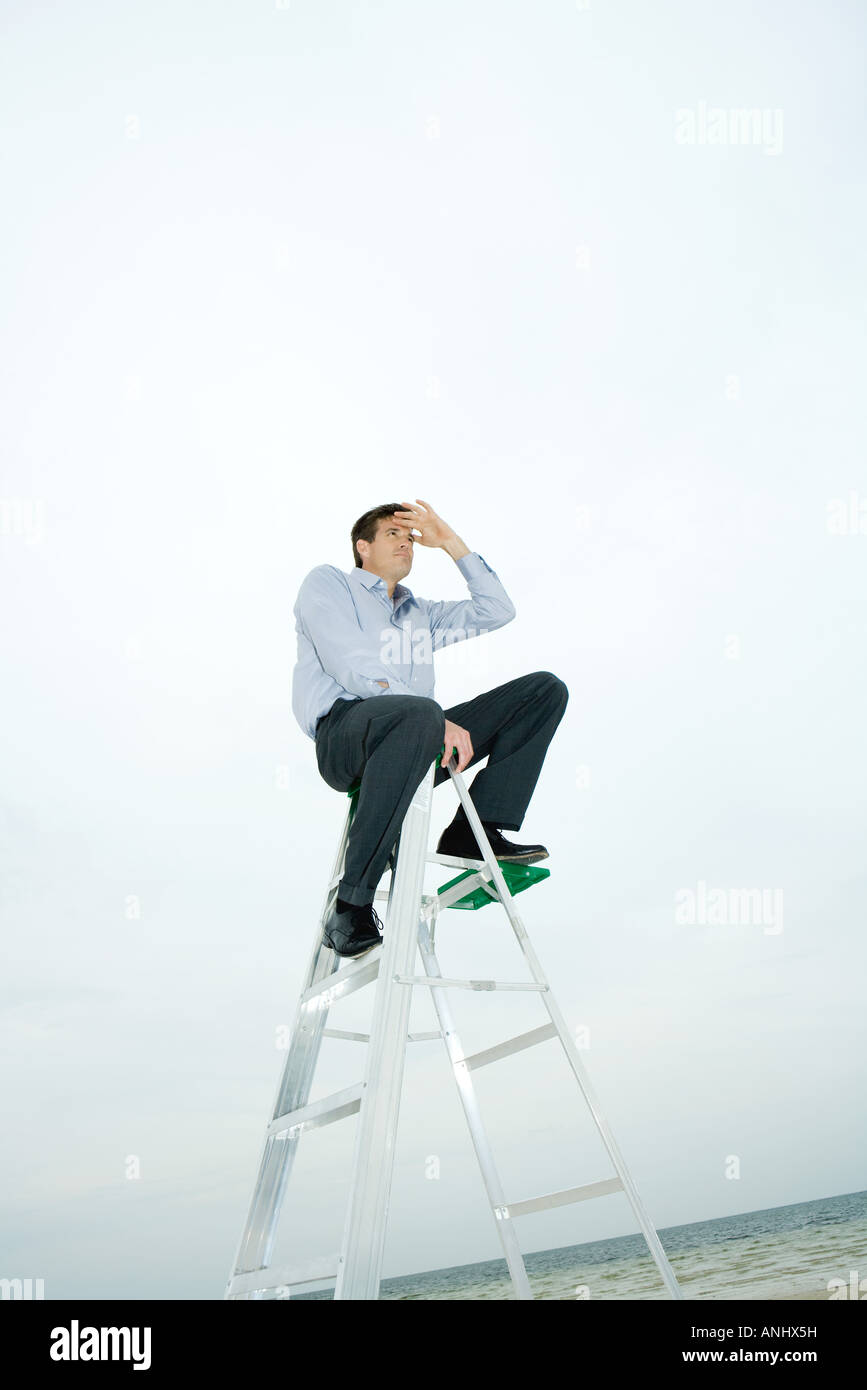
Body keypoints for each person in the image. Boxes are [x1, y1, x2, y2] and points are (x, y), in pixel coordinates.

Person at [292, 499, 569, 958]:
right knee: (420, 711)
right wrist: (435, 718)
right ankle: (350, 904)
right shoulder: (330, 584)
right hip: (346, 737)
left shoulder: (420, 613)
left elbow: (497, 610)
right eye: (392, 535)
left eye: (410, 538)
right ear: (363, 547)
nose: (405, 543)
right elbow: (349, 661)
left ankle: (473, 830)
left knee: (542, 690)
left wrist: (452, 544)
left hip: (416, 738)